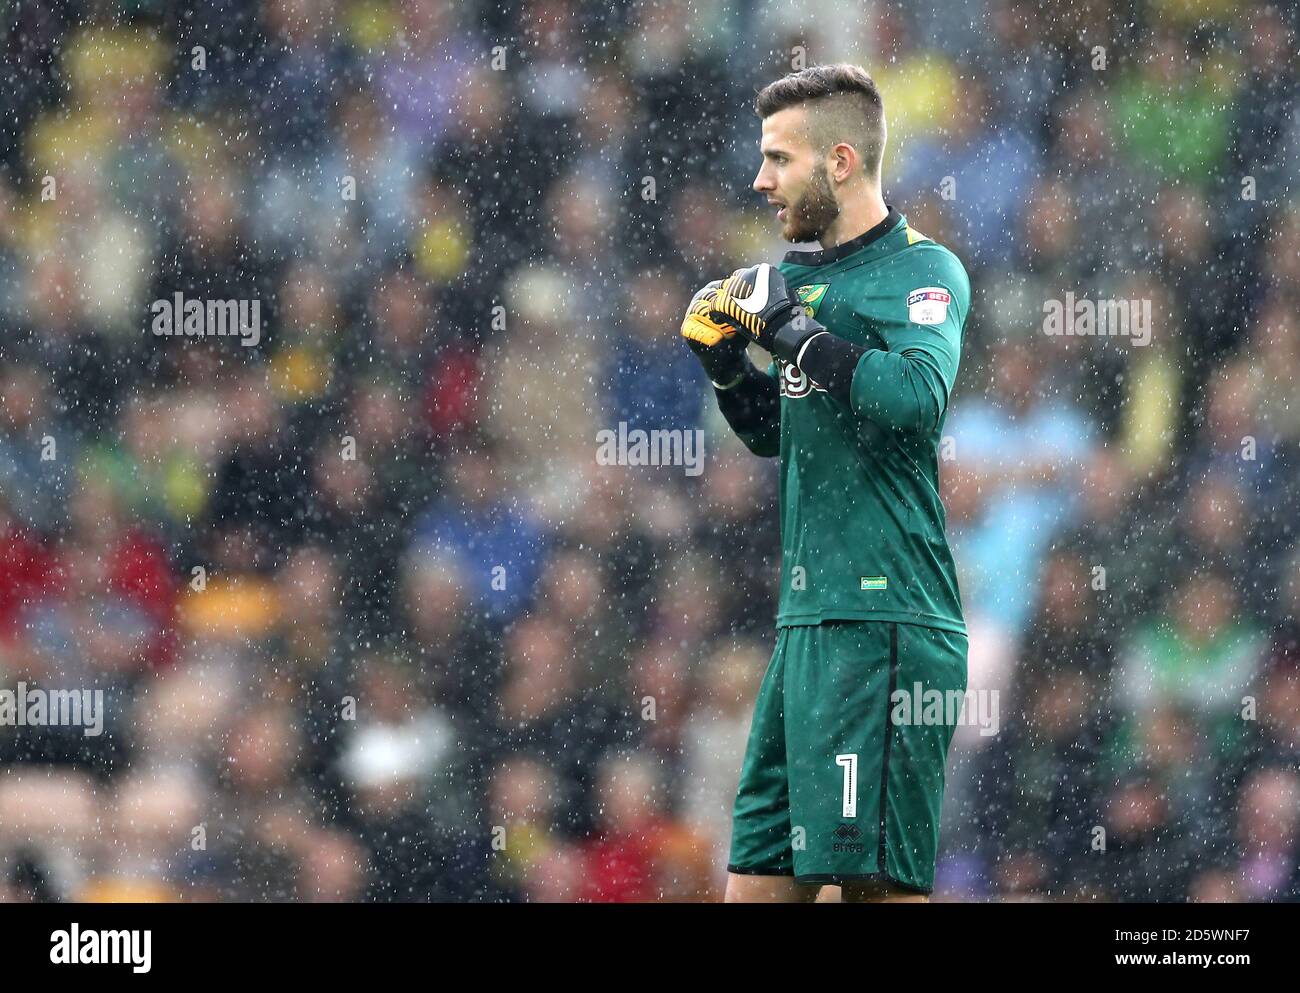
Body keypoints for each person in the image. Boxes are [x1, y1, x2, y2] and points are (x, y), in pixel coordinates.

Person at [681, 64, 971, 903]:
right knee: (755, 888)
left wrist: (788, 331)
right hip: (807, 626)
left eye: (779, 159)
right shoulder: (801, 282)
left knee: (869, 889)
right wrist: (732, 368)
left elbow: (915, 398)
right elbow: (783, 432)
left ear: (839, 161)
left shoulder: (925, 271)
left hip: (886, 623)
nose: (759, 179)